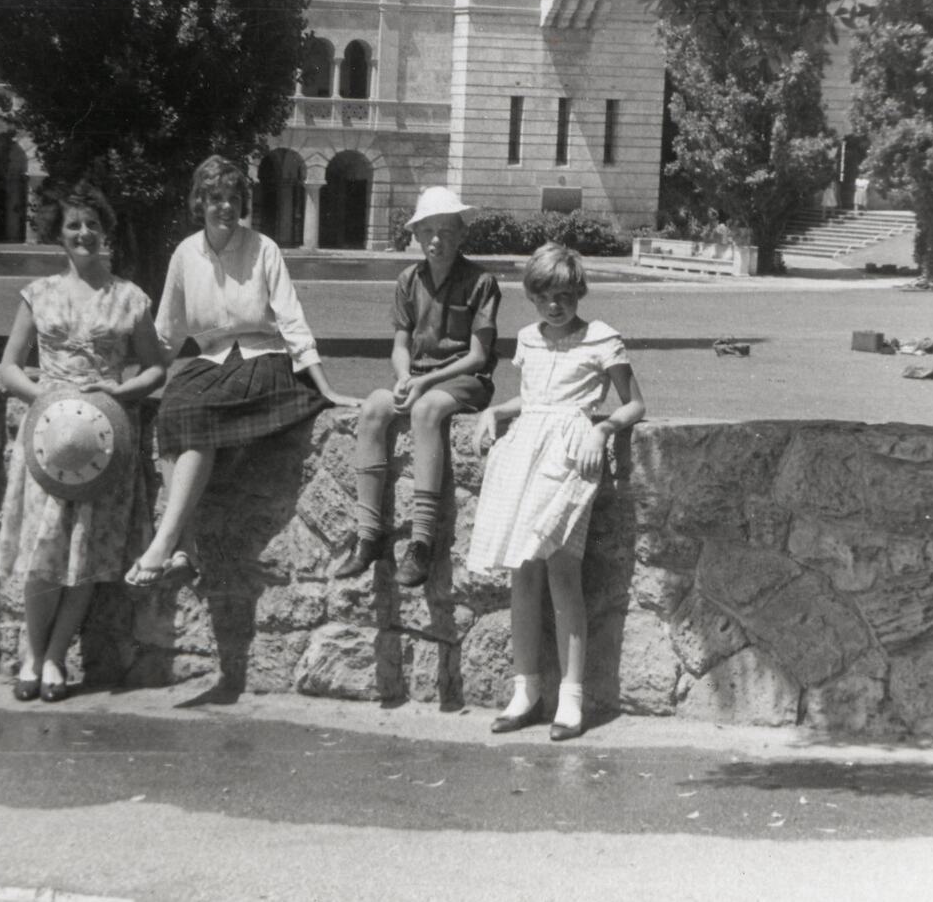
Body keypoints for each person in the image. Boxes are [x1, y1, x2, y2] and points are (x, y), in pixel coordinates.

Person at [127, 154, 360, 586]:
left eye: (234, 198)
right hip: (212, 362)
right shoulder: (184, 255)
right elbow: (167, 332)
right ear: (200, 201)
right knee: (173, 407)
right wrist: (134, 383)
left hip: (265, 362)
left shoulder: (263, 248)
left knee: (200, 412)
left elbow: (292, 321)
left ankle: (165, 542)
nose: (226, 207)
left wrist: (326, 387)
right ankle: (185, 549)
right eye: (216, 198)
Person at [0, 180, 167, 702]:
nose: (84, 233)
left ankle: (55, 657)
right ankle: (31, 652)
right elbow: (8, 368)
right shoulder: (40, 294)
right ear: (60, 234)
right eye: (74, 225)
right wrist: (42, 395)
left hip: (104, 442)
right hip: (48, 442)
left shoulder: (130, 299)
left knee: (84, 554)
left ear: (104, 230)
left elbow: (157, 367)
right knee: (42, 552)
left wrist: (120, 389)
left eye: (92, 224)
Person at [466, 244, 645, 740]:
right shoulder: (529, 338)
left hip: (571, 458)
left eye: (565, 295)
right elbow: (534, 400)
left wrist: (602, 430)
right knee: (522, 571)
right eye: (545, 296)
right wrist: (494, 412)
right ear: (532, 296)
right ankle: (525, 691)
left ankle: (571, 698)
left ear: (578, 294)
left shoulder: (601, 338)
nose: (555, 306)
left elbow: (635, 404)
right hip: (524, 455)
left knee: (563, 572)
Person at [331, 186, 501, 588]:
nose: (436, 240)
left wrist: (424, 381)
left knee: (425, 412)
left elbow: (478, 356)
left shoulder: (481, 282)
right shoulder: (408, 280)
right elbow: (400, 346)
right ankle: (369, 533)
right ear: (417, 236)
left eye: (445, 230)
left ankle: (422, 541)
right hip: (421, 376)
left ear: (461, 234)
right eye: (428, 232)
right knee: (374, 407)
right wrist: (406, 375)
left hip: (465, 381)